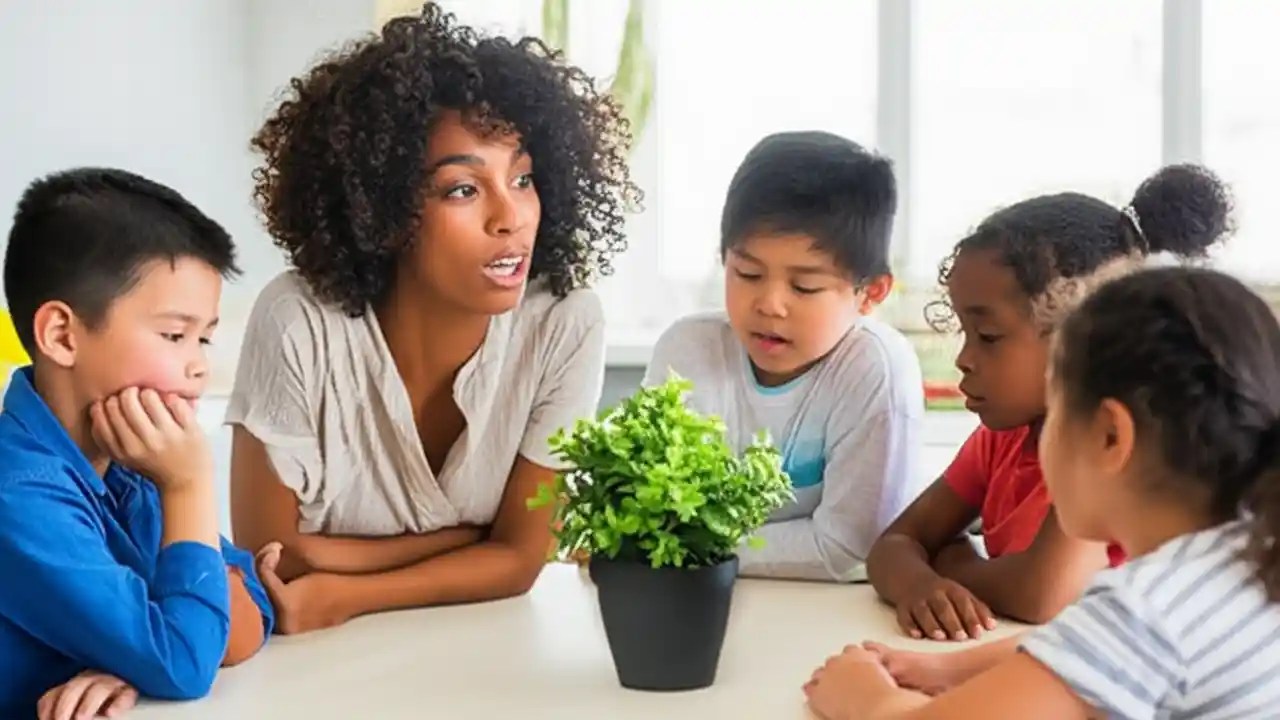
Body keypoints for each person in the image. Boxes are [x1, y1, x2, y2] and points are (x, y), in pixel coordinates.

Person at [227, 2, 639, 634]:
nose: (512, 217)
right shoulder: (299, 322)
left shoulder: (563, 324)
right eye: (462, 190)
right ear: (380, 210)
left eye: (523, 179)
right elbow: (272, 567)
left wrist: (350, 588)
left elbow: (521, 564)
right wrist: (475, 540)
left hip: (490, 661)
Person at [806, 265, 1280, 719]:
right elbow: (1074, 644)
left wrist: (864, 698)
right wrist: (941, 668)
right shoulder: (1244, 557)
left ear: (1110, 436)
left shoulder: (1144, 612)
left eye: (1056, 406)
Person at [865, 164, 1233, 640]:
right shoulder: (999, 442)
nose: (964, 359)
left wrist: (954, 560)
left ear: (1078, 339)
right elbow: (894, 544)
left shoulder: (1110, 452)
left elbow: (1039, 595)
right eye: (964, 333)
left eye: (989, 336)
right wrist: (919, 584)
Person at [0, 168, 274, 719]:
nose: (199, 365)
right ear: (61, 335)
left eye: (205, 337)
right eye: (175, 335)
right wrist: (190, 487)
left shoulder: (128, 460)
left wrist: (133, 658)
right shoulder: (19, 493)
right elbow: (186, 664)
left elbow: (256, 610)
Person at [643, 131, 925, 582]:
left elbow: (845, 547)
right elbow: (655, 509)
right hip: (701, 597)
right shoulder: (689, 349)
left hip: (837, 612)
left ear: (870, 293)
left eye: (805, 287)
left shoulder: (875, 369)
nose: (770, 304)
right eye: (747, 273)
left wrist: (687, 545)